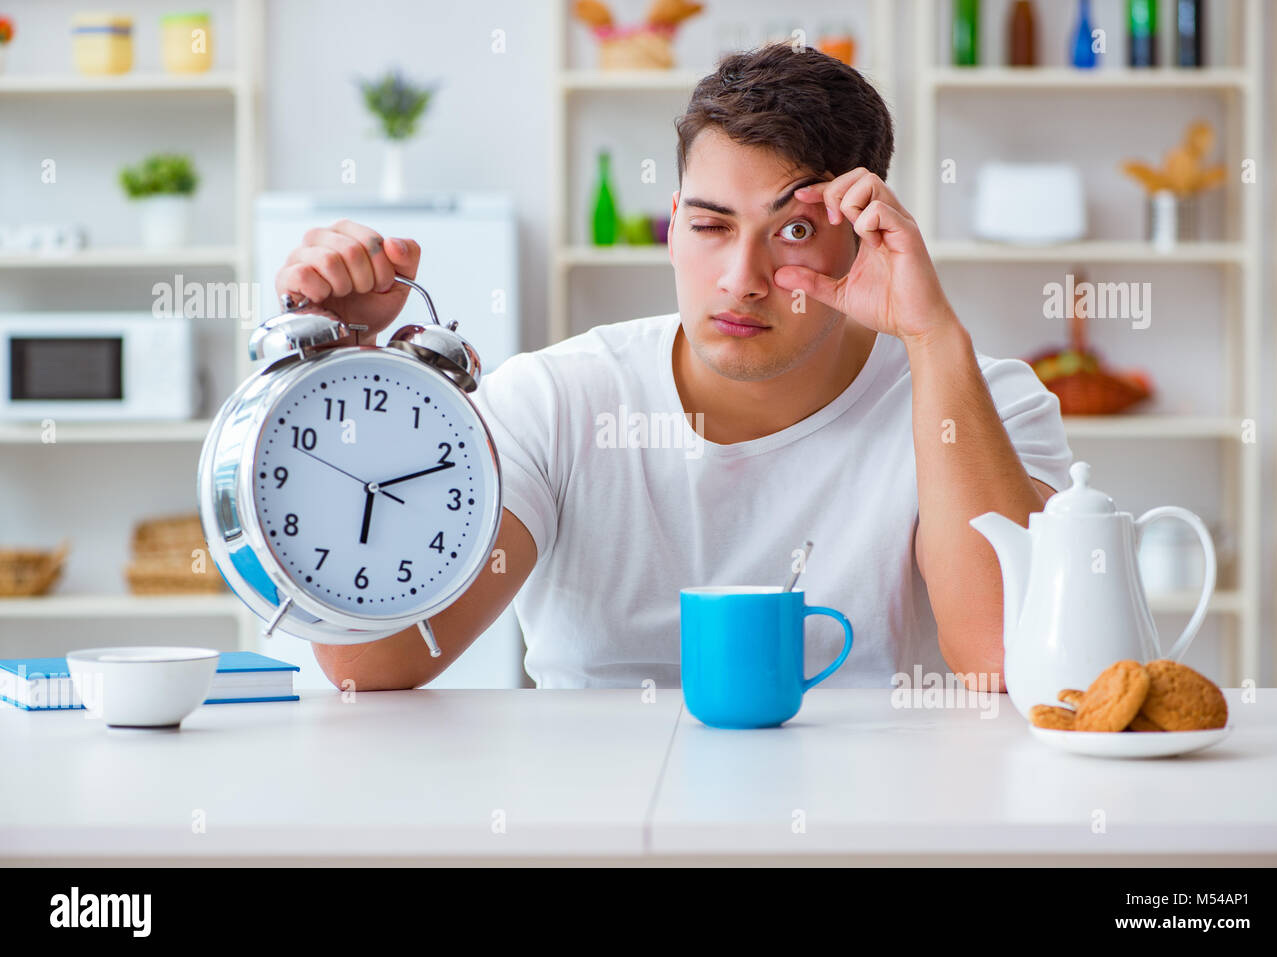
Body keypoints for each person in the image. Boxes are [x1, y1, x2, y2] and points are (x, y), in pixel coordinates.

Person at [277, 42, 1072, 693]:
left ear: (864, 237)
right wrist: (346, 383)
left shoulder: (984, 399)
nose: (741, 277)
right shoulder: (560, 399)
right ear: (671, 228)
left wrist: (933, 338)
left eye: (793, 232)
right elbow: (367, 664)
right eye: (710, 225)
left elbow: (1004, 656)